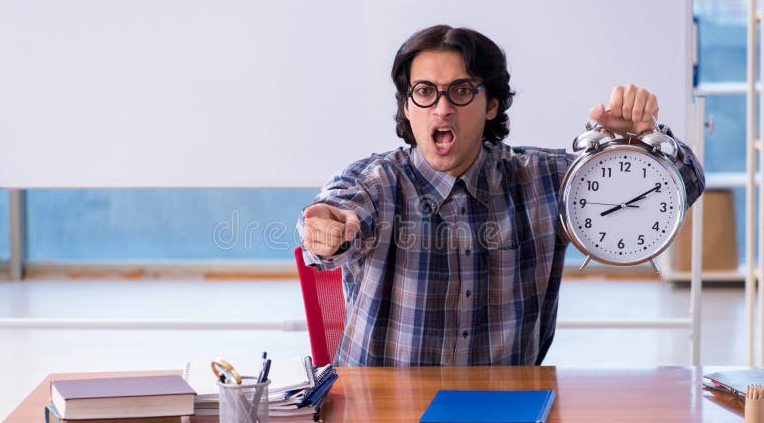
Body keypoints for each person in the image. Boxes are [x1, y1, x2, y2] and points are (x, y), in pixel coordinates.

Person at [297, 25, 705, 366]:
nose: (441, 109)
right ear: (407, 107)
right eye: (424, 92)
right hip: (383, 418)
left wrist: (641, 139)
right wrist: (327, 228)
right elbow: (333, 216)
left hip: (505, 414)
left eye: (460, 91)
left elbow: (684, 183)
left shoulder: (544, 180)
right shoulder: (374, 184)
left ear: (491, 104)